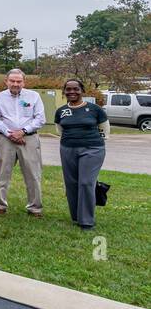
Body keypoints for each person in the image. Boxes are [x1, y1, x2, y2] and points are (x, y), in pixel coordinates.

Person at [0, 68, 45, 217]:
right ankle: (0, 205)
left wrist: (23, 131)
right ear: (6, 81)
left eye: (19, 81)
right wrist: (9, 133)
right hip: (6, 138)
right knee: (2, 172)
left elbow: (40, 118)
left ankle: (35, 208)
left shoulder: (34, 96)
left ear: (24, 82)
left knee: (33, 173)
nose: (15, 84)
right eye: (12, 81)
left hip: (29, 138)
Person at [54, 79, 107, 230]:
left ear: (82, 90)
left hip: (92, 149)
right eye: (68, 89)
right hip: (68, 149)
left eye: (75, 89)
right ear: (64, 91)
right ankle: (76, 216)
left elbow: (104, 131)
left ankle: (86, 221)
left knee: (85, 183)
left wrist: (90, 141)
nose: (72, 92)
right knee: (71, 183)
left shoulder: (95, 109)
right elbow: (60, 130)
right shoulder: (61, 111)